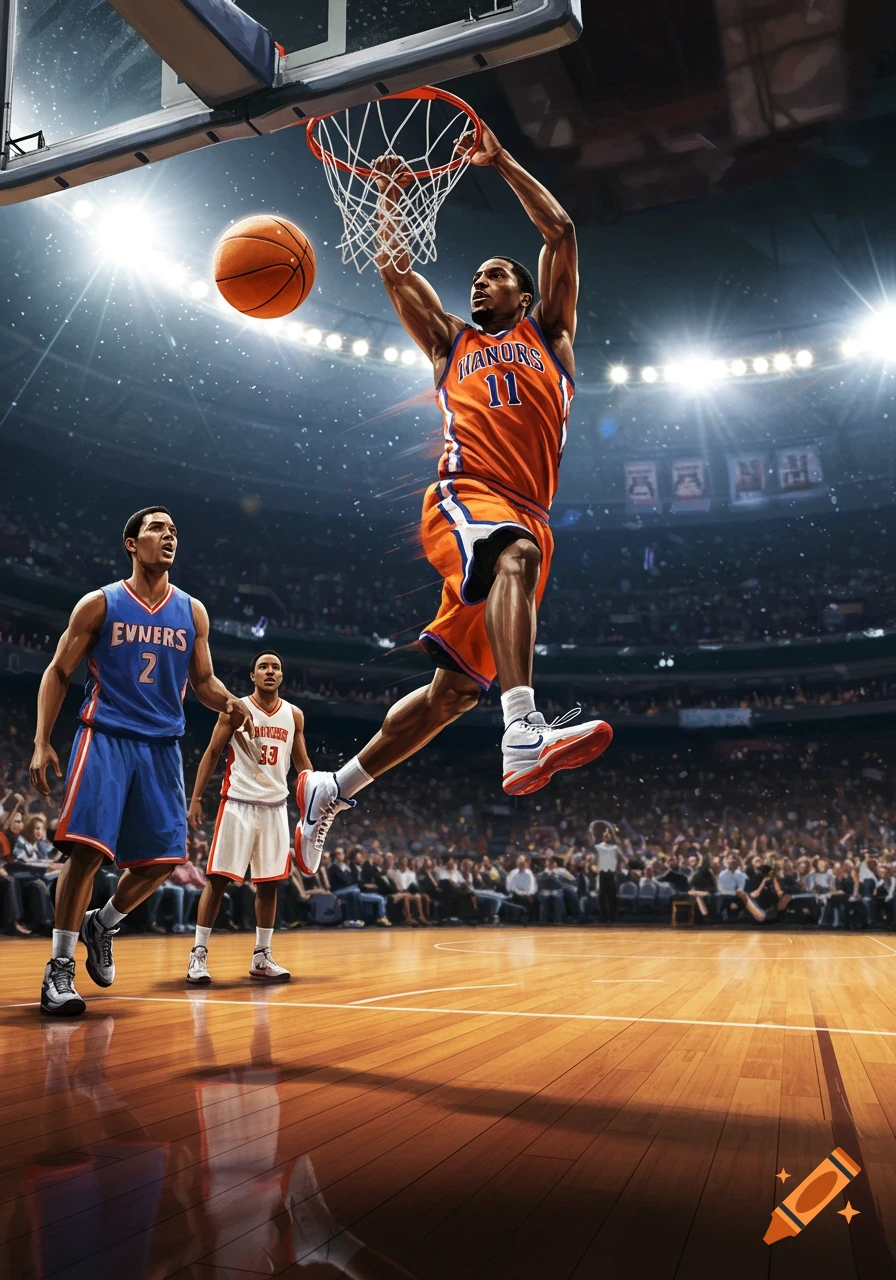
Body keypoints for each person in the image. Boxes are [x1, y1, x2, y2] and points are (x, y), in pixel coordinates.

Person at [294, 118, 613, 874]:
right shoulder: (450, 343)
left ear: (526, 294)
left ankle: (329, 791)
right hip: (464, 497)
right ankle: (524, 728)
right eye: (475, 276)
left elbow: (562, 231)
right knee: (515, 555)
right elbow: (396, 271)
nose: (479, 281)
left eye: (496, 274)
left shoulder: (550, 337)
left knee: (451, 695)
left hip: (526, 512)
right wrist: (386, 197)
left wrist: (500, 161)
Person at [29, 506, 253, 1016]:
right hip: (106, 737)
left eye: (174, 531)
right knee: (87, 852)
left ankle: (102, 923)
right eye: (157, 528)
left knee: (163, 861)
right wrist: (42, 740)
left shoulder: (192, 611)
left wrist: (228, 701)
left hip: (162, 746)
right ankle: (59, 968)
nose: (169, 536)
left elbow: (202, 682)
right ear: (132, 543)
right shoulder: (100, 603)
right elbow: (58, 671)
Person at [185, 652, 311, 983]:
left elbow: (303, 765)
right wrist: (195, 799)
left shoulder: (294, 715)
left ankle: (262, 956)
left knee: (269, 885)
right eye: (263, 667)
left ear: (281, 676)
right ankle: (198, 954)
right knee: (218, 880)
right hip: (238, 803)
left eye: (275, 667)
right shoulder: (236, 709)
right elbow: (212, 752)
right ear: (252, 676)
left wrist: (315, 799)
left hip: (275, 807)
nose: (270, 671)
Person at [590, 821, 622, 924]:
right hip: (602, 873)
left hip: (611, 873)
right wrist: (594, 867)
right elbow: (595, 860)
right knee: (601, 896)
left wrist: (614, 832)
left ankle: (612, 916)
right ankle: (603, 916)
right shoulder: (599, 847)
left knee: (612, 895)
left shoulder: (615, 847)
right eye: (605, 835)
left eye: (608, 835)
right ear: (603, 837)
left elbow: (620, 858)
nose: (607, 836)